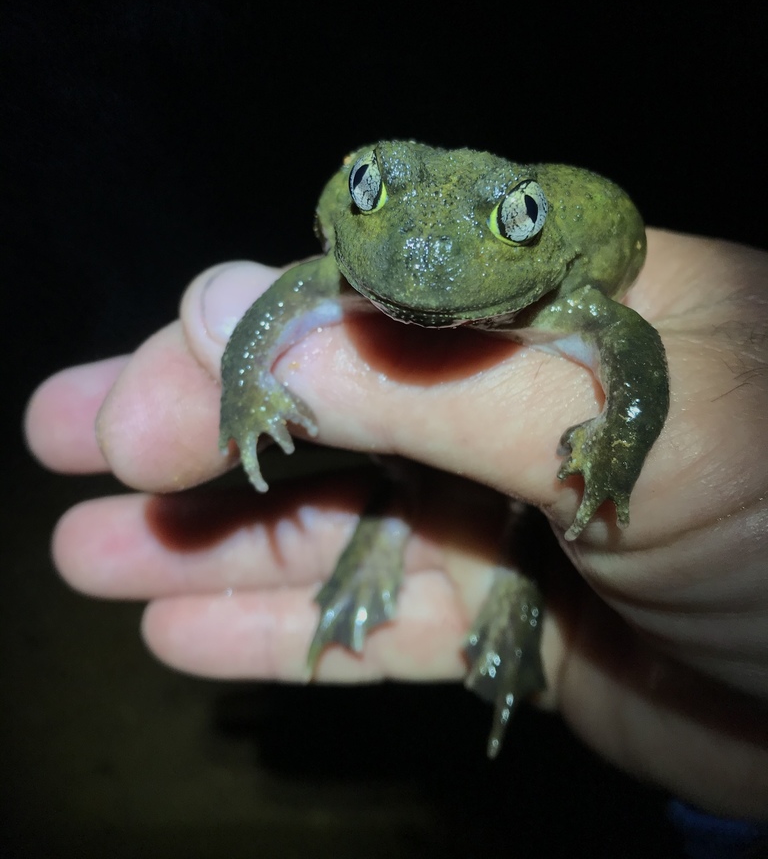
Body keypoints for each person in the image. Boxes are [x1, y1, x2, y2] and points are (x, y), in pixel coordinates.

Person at [25, 229, 768, 827]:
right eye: (369, 191)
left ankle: (504, 585)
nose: (429, 258)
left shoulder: (569, 301)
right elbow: (274, 309)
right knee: (408, 475)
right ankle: (399, 535)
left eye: (518, 220)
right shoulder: (333, 277)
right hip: (416, 484)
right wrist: (247, 388)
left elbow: (631, 345)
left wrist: (618, 444)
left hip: (534, 527)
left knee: (513, 508)